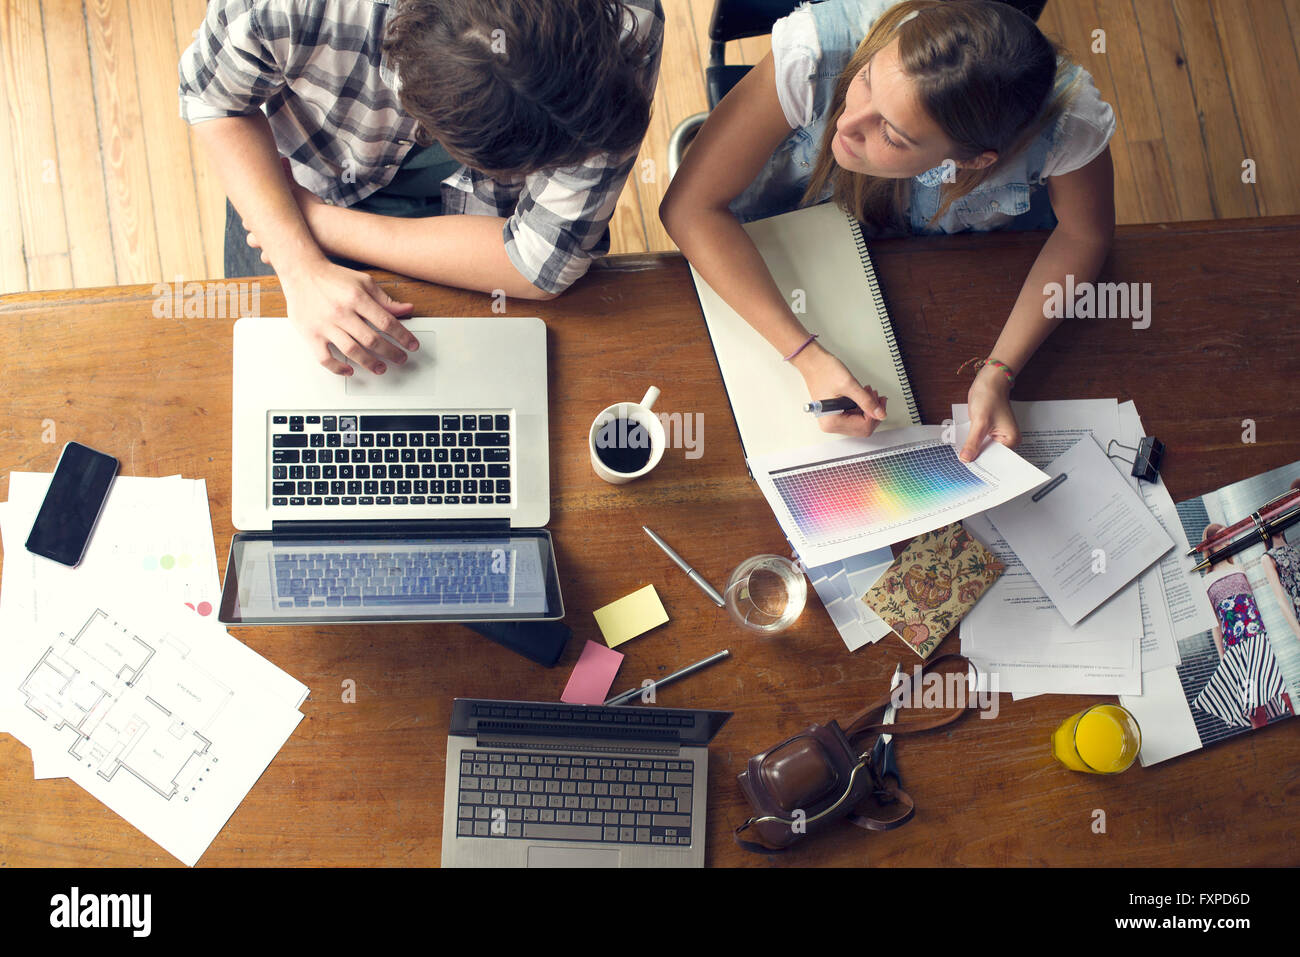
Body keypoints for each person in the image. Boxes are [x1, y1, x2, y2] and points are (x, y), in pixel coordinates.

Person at [660, 0, 1116, 461]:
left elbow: (1083, 236)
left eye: (892, 136)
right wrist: (806, 358)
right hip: (783, 246)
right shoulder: (813, 55)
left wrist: (999, 370)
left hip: (926, 279)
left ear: (975, 160)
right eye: (865, 80)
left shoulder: (1069, 121)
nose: (846, 123)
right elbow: (689, 208)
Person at [179, 0, 662, 377]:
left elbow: (541, 260)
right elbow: (214, 101)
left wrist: (317, 225)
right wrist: (299, 265)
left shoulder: (620, 27)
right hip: (300, 181)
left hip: (320, 212)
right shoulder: (284, 9)